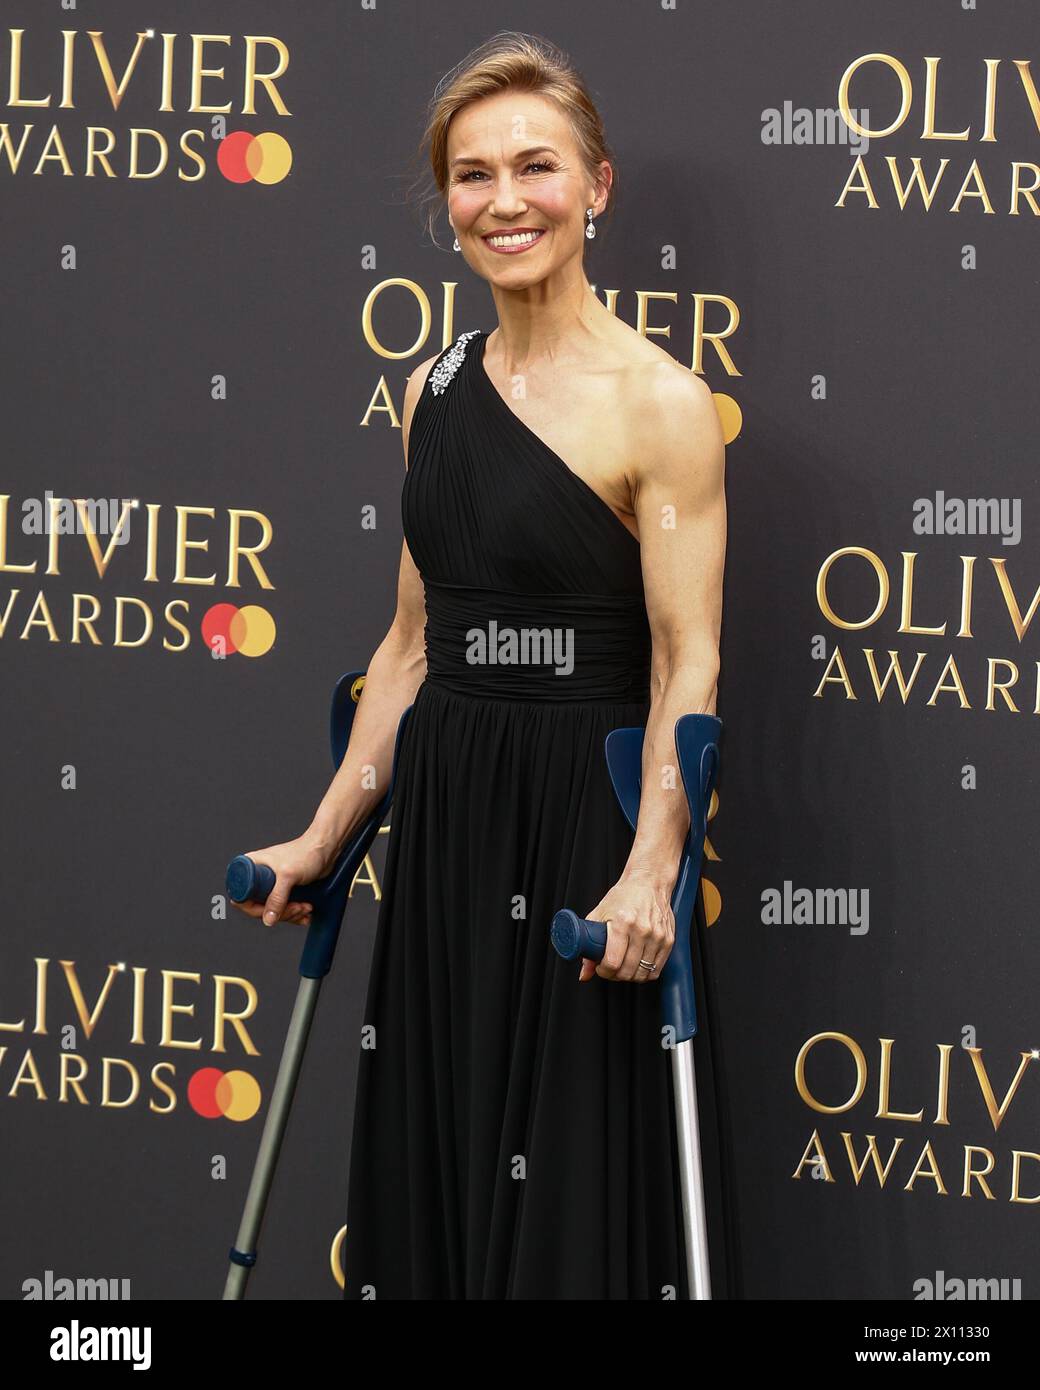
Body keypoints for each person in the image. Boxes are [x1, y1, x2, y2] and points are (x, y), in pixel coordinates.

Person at [234, 31, 726, 1300]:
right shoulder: (431, 387)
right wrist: (322, 834)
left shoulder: (658, 405)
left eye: (535, 166)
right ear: (444, 200)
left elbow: (688, 663)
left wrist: (647, 872)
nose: (503, 201)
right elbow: (410, 646)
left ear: (596, 186)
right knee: (441, 1179)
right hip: (450, 823)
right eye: (471, 175)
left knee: (563, 1201)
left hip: (579, 828)